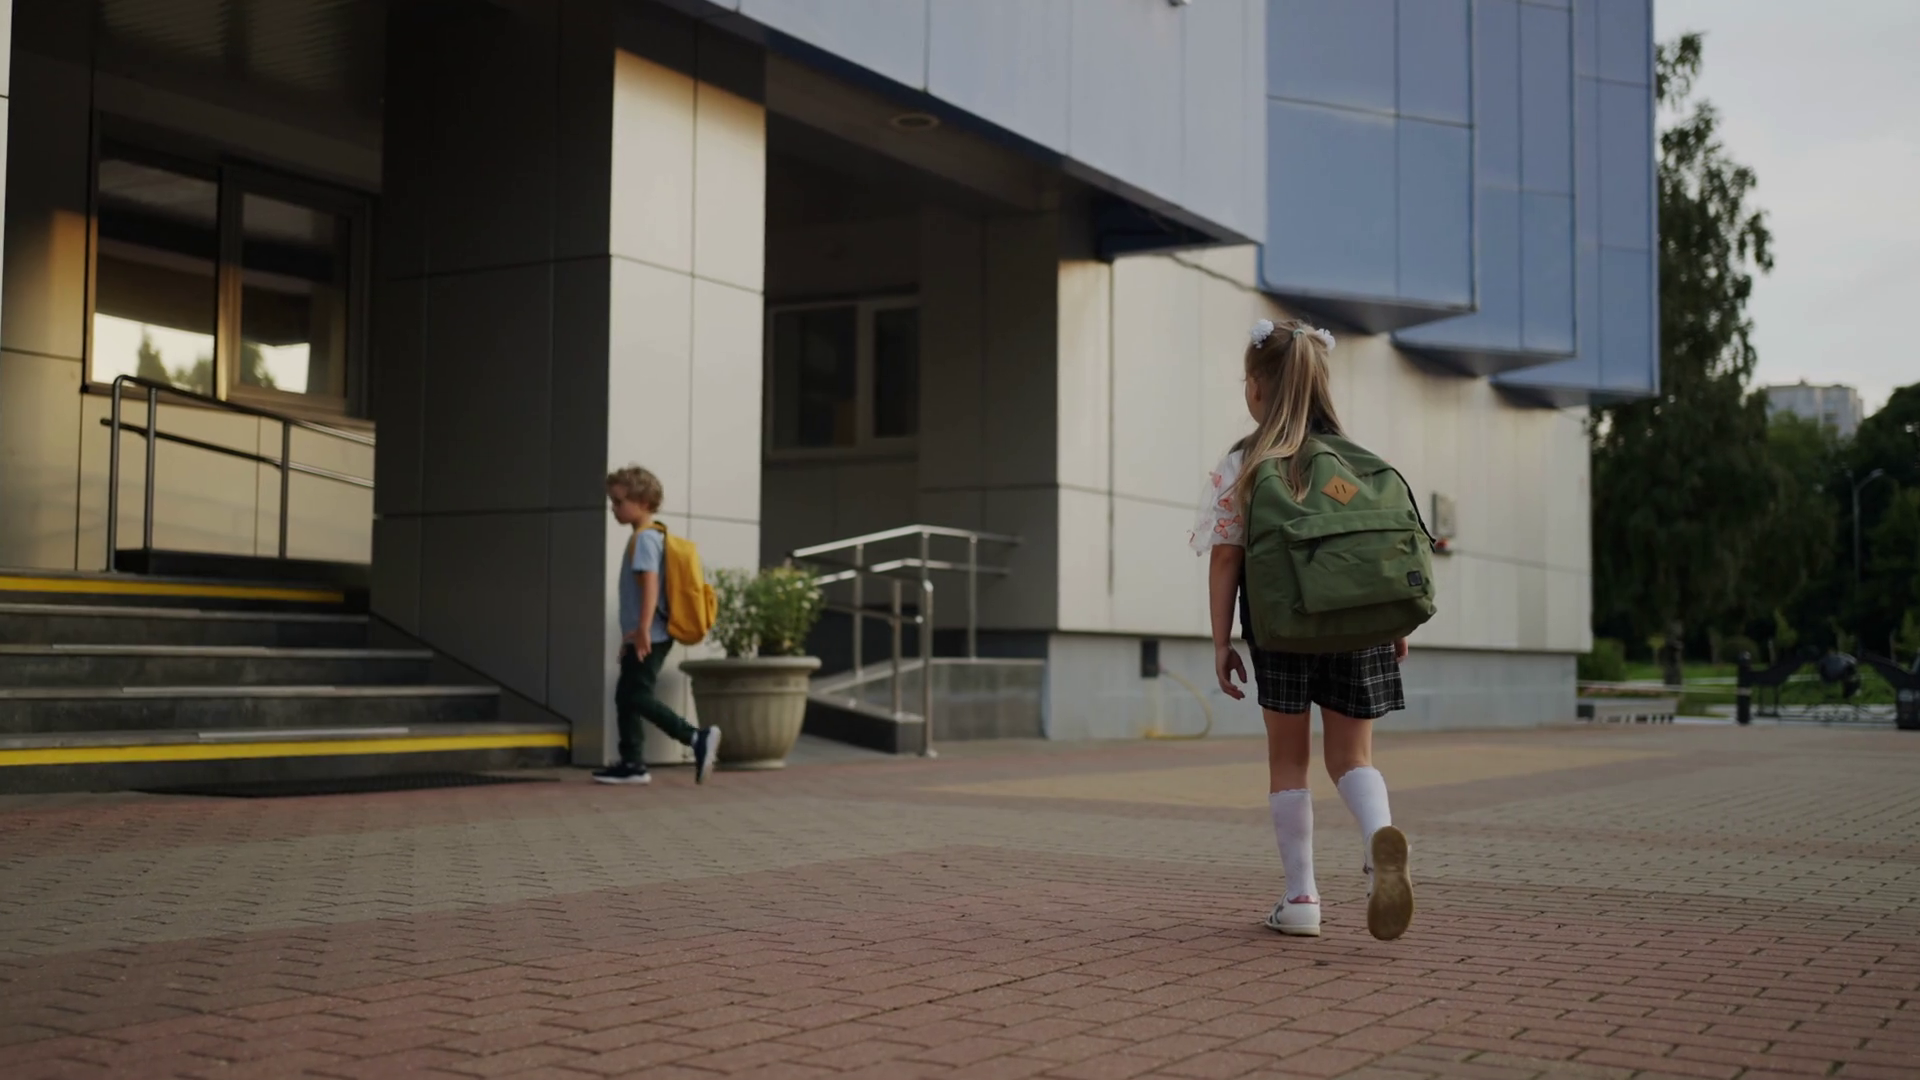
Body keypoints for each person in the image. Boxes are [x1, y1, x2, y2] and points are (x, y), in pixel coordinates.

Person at [1190, 318, 1414, 941]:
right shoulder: (1356, 464)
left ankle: (1301, 900)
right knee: (1353, 758)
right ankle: (1377, 838)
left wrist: (1222, 641)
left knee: (1289, 760)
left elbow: (1226, 558)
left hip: (1282, 629)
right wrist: (1394, 620)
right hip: (1359, 626)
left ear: (1258, 388)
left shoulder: (1245, 463)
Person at [595, 465, 720, 786]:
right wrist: (633, 632)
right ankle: (632, 762)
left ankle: (695, 738)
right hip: (645, 633)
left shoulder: (645, 540)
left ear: (643, 503)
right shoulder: (649, 537)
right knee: (626, 695)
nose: (613, 508)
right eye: (612, 501)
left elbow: (650, 587)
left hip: (650, 634)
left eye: (619, 501)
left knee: (636, 695)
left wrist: (642, 630)